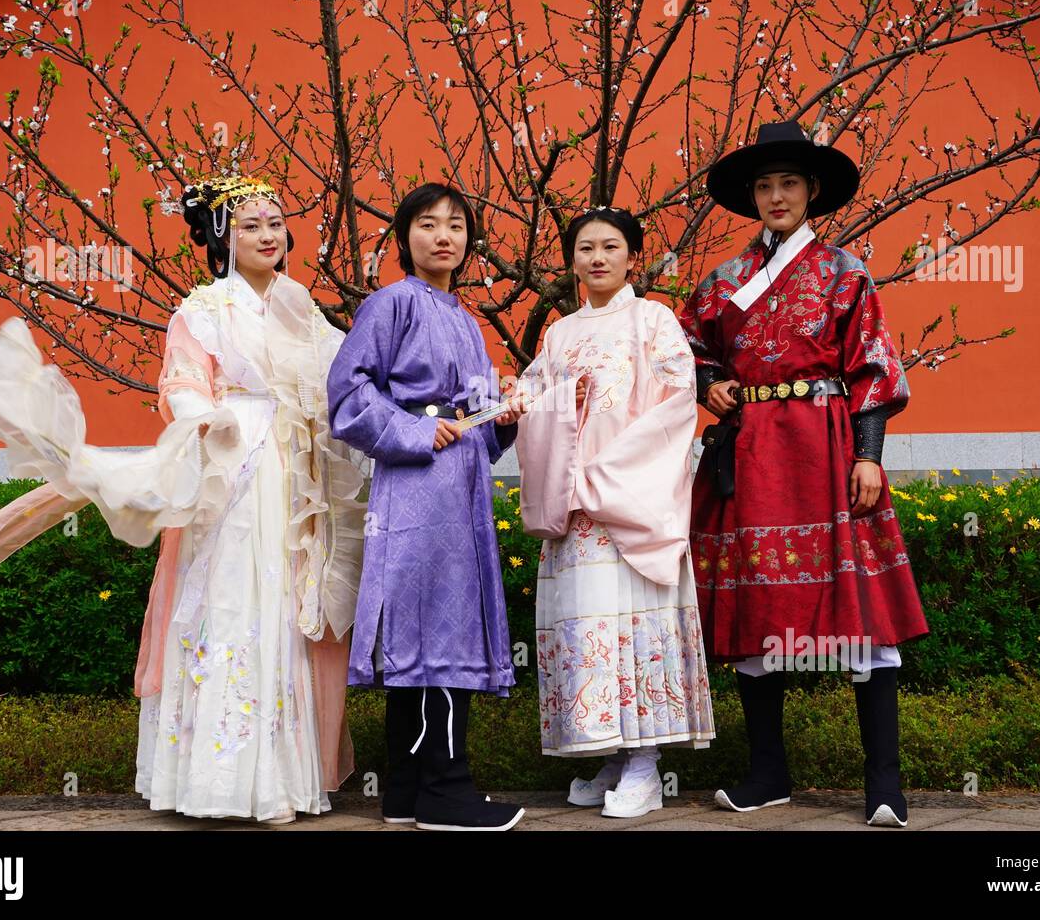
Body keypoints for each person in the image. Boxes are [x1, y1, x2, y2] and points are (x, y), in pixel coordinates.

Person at [0, 175, 367, 823]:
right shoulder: (202, 309)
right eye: (250, 226)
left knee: (288, 607)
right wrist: (206, 418)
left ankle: (281, 779)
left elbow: (342, 379)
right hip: (230, 466)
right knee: (230, 601)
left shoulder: (302, 309)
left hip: (296, 473)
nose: (267, 236)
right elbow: (182, 381)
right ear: (223, 237)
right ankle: (218, 780)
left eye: (275, 223)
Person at [679, 121, 929, 827]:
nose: (776, 195)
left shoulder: (847, 273)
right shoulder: (723, 281)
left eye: (789, 183)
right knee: (760, 610)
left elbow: (873, 367)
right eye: (764, 185)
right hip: (752, 453)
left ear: (812, 190)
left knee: (860, 612)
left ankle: (884, 782)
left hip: (827, 445)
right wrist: (709, 385)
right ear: (753, 197)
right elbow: (684, 347)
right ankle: (768, 774)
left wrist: (869, 454)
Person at [326, 182, 526, 831]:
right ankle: (446, 788)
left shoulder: (466, 320)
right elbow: (347, 395)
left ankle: (407, 791)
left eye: (456, 225)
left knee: (442, 618)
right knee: (433, 623)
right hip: (416, 485)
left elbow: (478, 424)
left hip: (461, 482)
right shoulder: (389, 304)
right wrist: (415, 430)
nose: (444, 236)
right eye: (428, 223)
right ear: (404, 235)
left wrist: (503, 416)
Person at [513, 206, 715, 818]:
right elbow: (533, 395)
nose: (597, 258)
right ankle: (611, 752)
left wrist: (606, 474)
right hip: (576, 510)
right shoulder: (560, 334)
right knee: (589, 627)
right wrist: (520, 401)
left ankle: (646, 765)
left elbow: (676, 405)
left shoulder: (653, 320)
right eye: (585, 248)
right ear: (571, 260)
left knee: (635, 626)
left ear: (633, 257)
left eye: (610, 246)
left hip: (631, 498)